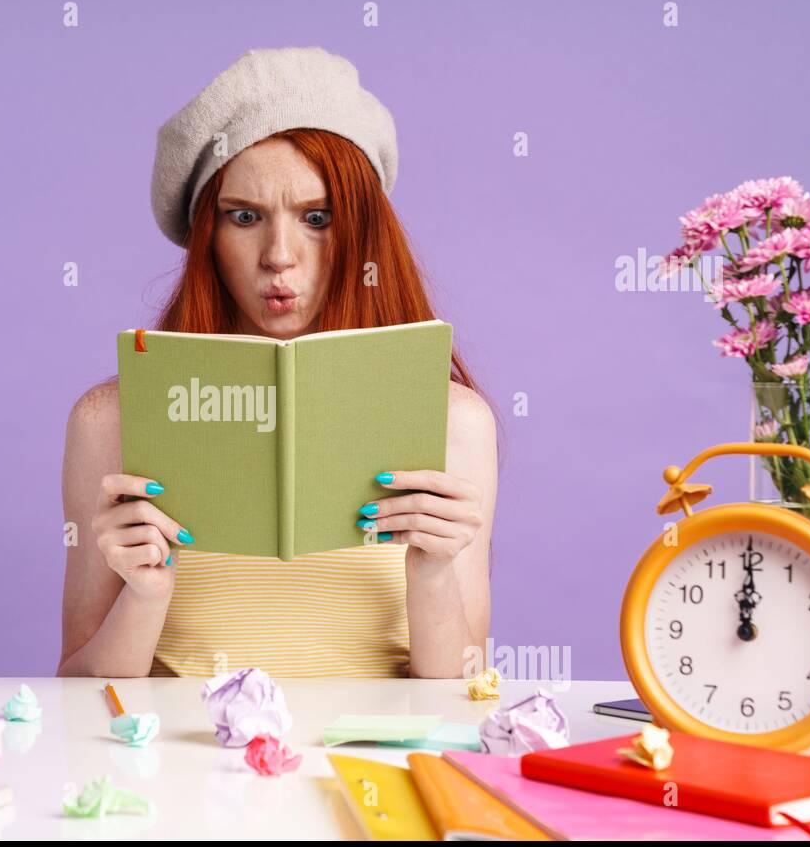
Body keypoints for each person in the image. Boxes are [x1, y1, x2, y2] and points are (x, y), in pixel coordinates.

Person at [59, 47, 500, 679]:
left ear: (362, 232)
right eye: (245, 216)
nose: (279, 257)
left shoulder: (455, 421)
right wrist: (145, 593)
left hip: (366, 767)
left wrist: (432, 573)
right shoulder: (111, 419)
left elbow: (465, 690)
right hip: (184, 771)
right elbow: (74, 688)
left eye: (317, 218)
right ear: (207, 235)